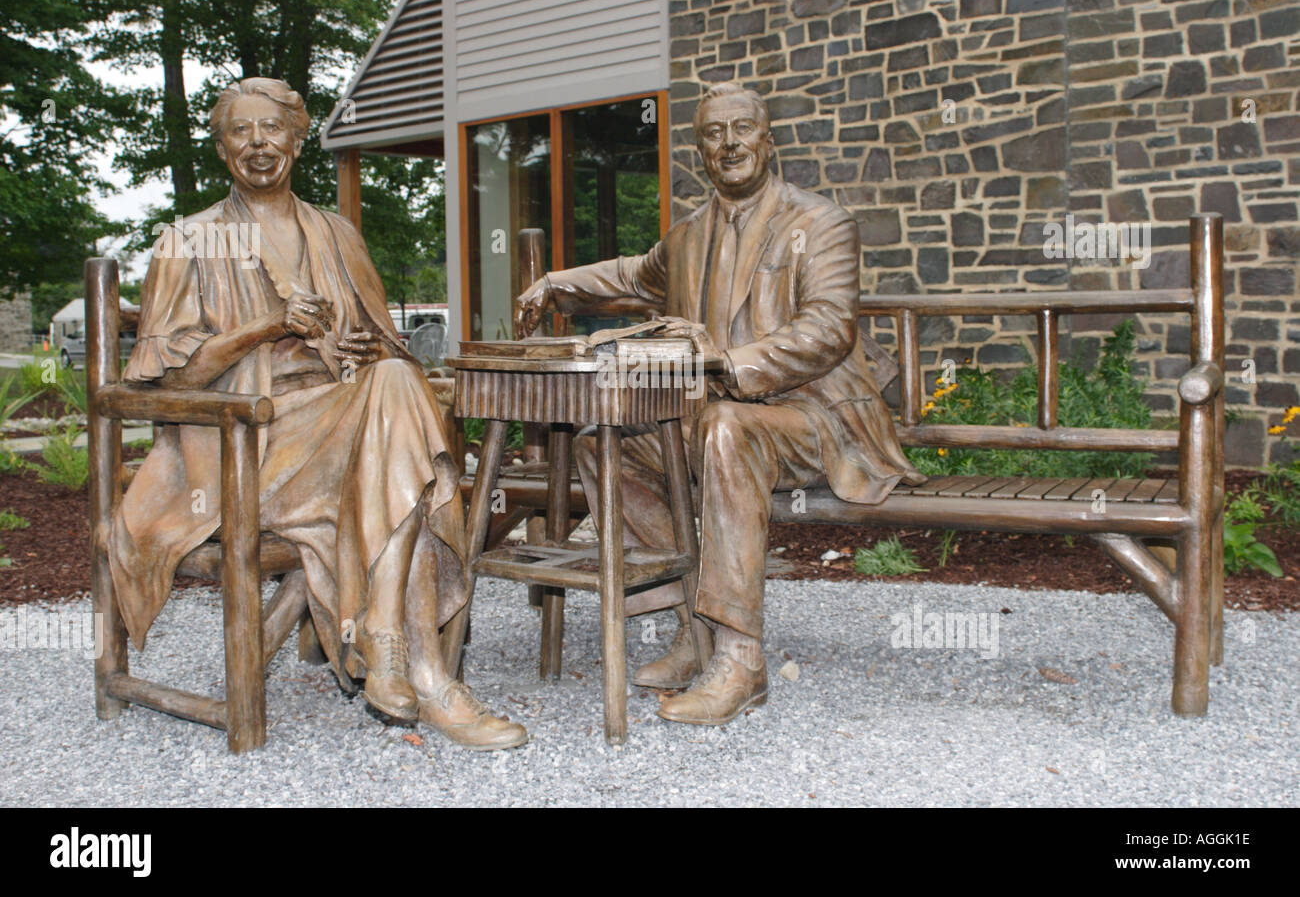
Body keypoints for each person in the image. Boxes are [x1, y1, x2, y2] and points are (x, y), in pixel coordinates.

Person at [111, 77, 524, 750]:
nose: (257, 144)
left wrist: (354, 355)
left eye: (271, 129)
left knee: (392, 392)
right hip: (241, 449)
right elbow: (170, 379)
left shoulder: (337, 235)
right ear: (221, 150)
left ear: (297, 141)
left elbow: (391, 356)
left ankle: (399, 651)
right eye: (239, 132)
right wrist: (266, 327)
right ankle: (429, 674)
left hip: (346, 436)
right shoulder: (187, 240)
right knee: (406, 451)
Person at [516, 82, 924, 726]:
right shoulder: (687, 236)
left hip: (817, 418)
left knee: (727, 428)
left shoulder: (819, 224)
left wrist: (728, 364)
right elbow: (628, 275)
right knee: (604, 441)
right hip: (715, 419)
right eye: (713, 133)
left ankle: (742, 660)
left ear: (767, 140)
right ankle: (692, 625)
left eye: (742, 129)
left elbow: (827, 330)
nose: (729, 143)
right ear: (698, 151)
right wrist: (555, 282)